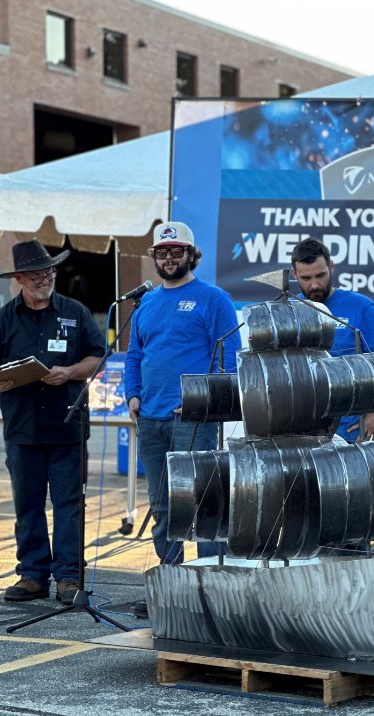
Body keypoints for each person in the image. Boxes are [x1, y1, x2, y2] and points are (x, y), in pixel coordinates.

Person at [0, 240, 106, 605]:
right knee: (28, 504)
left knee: (69, 503)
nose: (43, 279)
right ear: (19, 278)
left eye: (48, 272)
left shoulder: (75, 312)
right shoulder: (2, 319)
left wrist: (69, 372)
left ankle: (68, 577)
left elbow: (97, 357)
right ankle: (33, 575)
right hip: (22, 426)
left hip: (67, 424)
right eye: (35, 275)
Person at [125, 221, 241, 567]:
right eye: (162, 252)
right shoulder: (145, 303)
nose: (169, 258)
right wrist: (132, 395)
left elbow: (229, 362)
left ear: (191, 255)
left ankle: (210, 581)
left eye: (177, 251)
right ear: (154, 257)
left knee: (204, 503)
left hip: (193, 420)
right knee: (162, 507)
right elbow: (135, 355)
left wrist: (198, 398)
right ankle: (172, 580)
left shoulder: (214, 299)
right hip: (150, 420)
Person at [290, 237, 374, 442]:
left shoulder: (360, 308)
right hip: (298, 428)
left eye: (320, 275)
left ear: (331, 267)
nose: (315, 285)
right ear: (294, 274)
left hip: (347, 431)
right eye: (306, 278)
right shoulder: (286, 311)